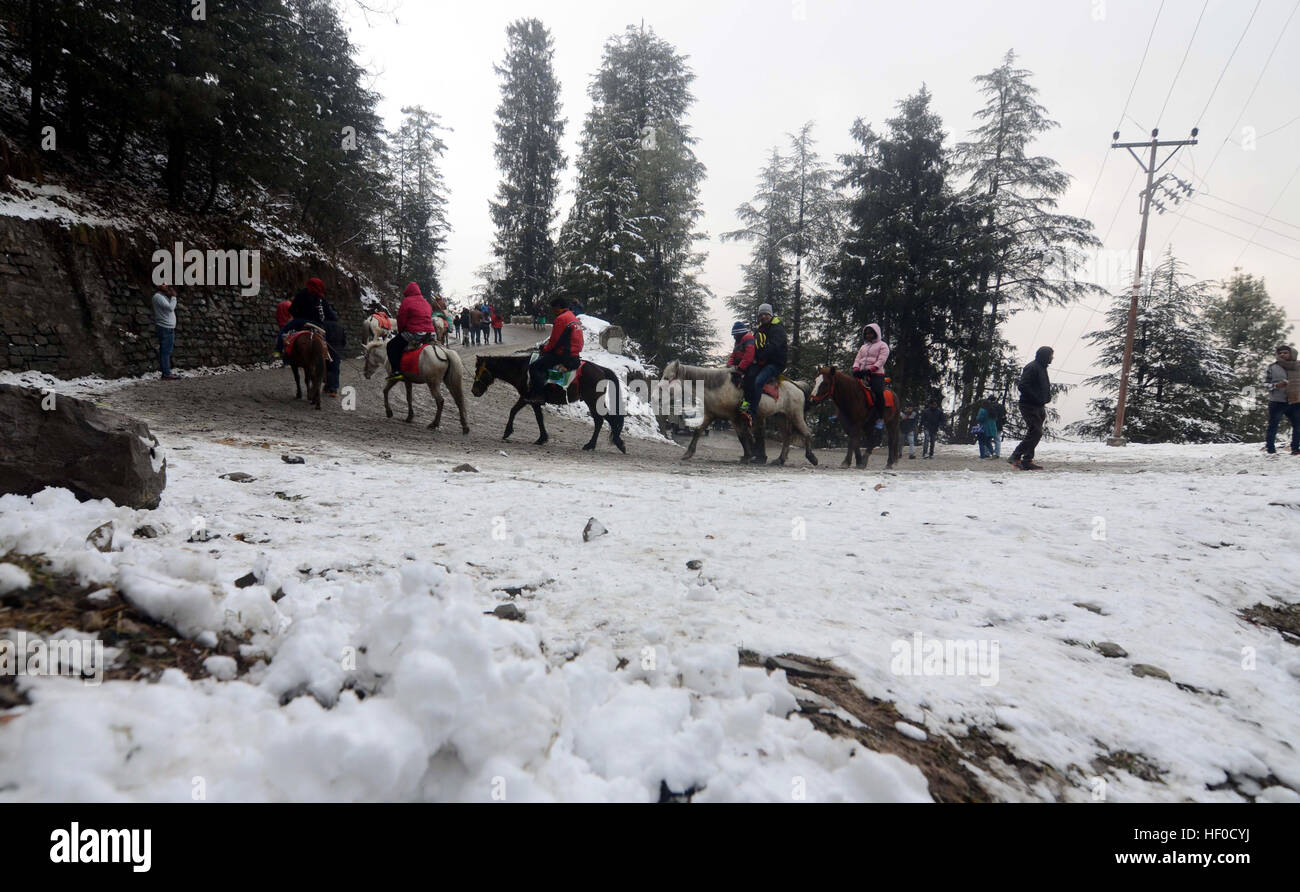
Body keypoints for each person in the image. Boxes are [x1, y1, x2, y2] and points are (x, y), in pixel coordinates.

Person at [527, 295, 584, 403]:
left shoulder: (561, 319)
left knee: (535, 367)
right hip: (575, 355)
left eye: (554, 309)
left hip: (563, 356)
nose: (553, 311)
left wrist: (544, 349)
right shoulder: (574, 318)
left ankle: (538, 395)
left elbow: (554, 341)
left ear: (558, 307)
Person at [1009, 346, 1053, 470]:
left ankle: (1027, 460)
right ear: (1045, 356)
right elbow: (1023, 386)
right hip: (1029, 405)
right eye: (1051, 355)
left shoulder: (1042, 368)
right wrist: (1037, 398)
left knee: (1035, 433)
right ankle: (1015, 456)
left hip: (1039, 405)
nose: (1052, 358)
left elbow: (1043, 386)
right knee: (1036, 431)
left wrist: (1046, 398)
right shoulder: (1032, 367)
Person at [741, 304, 786, 424]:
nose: (763, 316)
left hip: (776, 363)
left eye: (766, 314)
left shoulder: (778, 329)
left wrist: (760, 356)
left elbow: (774, 346)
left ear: (770, 315)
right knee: (748, 375)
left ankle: (752, 413)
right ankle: (744, 404)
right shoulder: (761, 328)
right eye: (761, 314)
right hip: (763, 361)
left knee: (758, 381)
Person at [387, 282, 437, 379]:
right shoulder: (425, 301)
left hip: (415, 332)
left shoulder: (407, 301)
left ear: (408, 291)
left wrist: (401, 331)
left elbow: (401, 319)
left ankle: (396, 371)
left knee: (391, 346)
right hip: (429, 333)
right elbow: (429, 314)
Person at [852, 323, 890, 432]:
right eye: (867, 333)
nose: (868, 335)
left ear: (876, 333)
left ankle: (880, 418)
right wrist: (855, 369)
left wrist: (872, 369)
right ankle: (841, 413)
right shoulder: (863, 347)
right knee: (847, 388)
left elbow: (882, 359)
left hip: (876, 373)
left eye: (871, 333)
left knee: (878, 392)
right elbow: (857, 359)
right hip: (861, 372)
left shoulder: (883, 345)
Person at [1271, 345, 1300, 455]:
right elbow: (1266, 383)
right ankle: (1270, 449)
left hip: (1296, 400)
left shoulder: (1298, 365)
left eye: (1285, 353)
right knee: (1273, 425)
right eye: (1280, 353)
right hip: (1278, 401)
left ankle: (1295, 449)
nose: (1282, 355)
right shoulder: (1274, 367)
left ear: (1291, 353)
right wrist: (1276, 386)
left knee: (1298, 426)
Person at [152, 284, 178, 380]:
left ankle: (166, 372)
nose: (167, 286)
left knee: (166, 351)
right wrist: (174, 297)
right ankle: (166, 373)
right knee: (165, 351)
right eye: (164, 284)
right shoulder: (158, 297)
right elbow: (170, 308)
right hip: (165, 327)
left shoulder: (162, 297)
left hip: (167, 327)